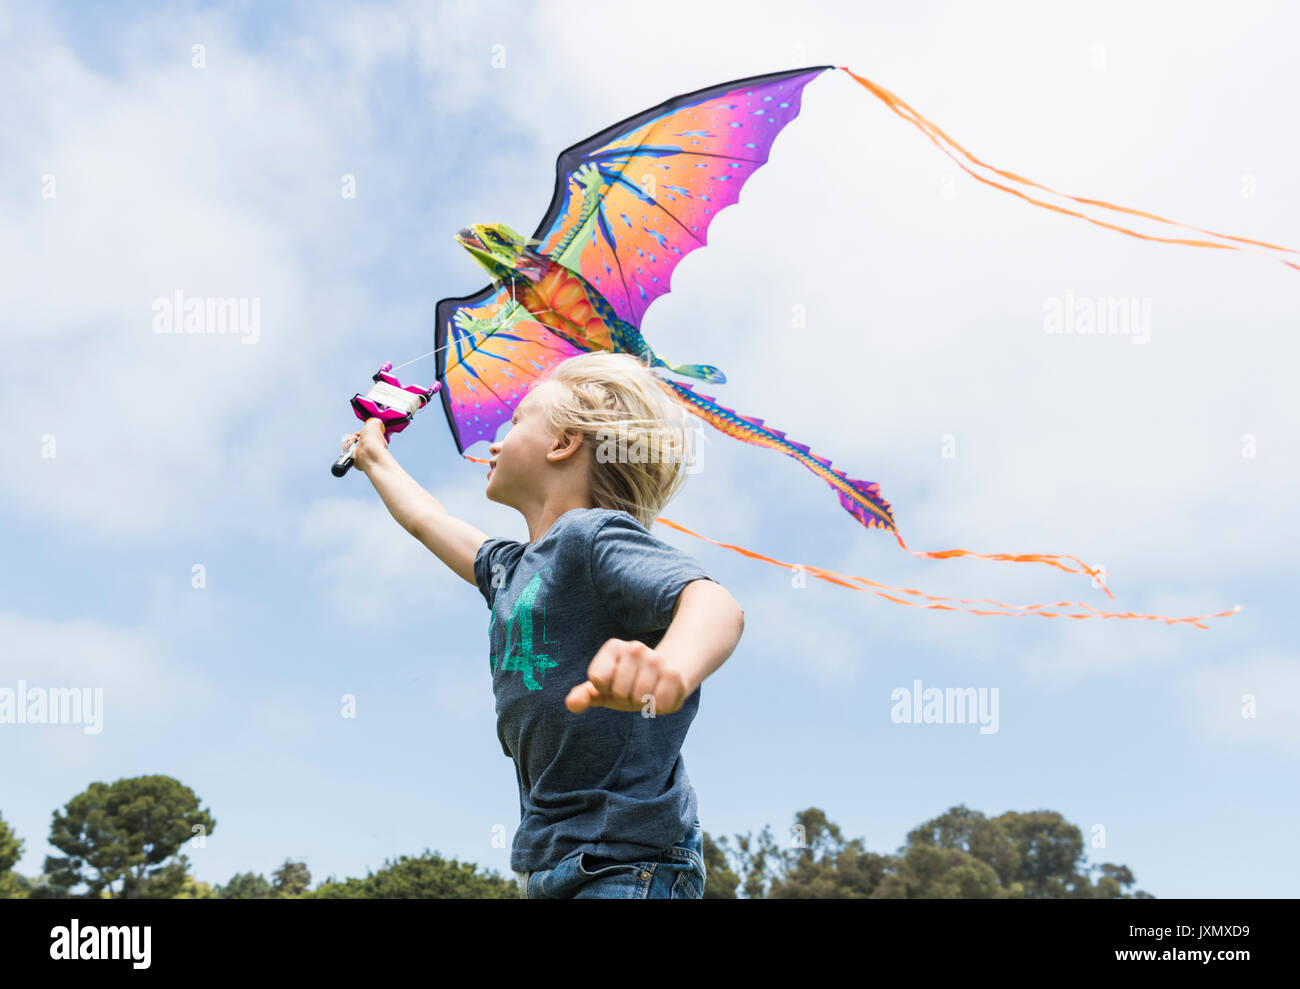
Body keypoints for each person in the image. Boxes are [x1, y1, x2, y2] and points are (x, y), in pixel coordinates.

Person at [345, 351, 745, 898]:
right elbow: (428, 521)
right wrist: (374, 457)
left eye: (514, 425)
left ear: (562, 445)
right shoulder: (508, 568)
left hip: (626, 862)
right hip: (552, 863)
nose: (494, 442)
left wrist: (672, 667)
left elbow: (714, 603)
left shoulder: (592, 535)